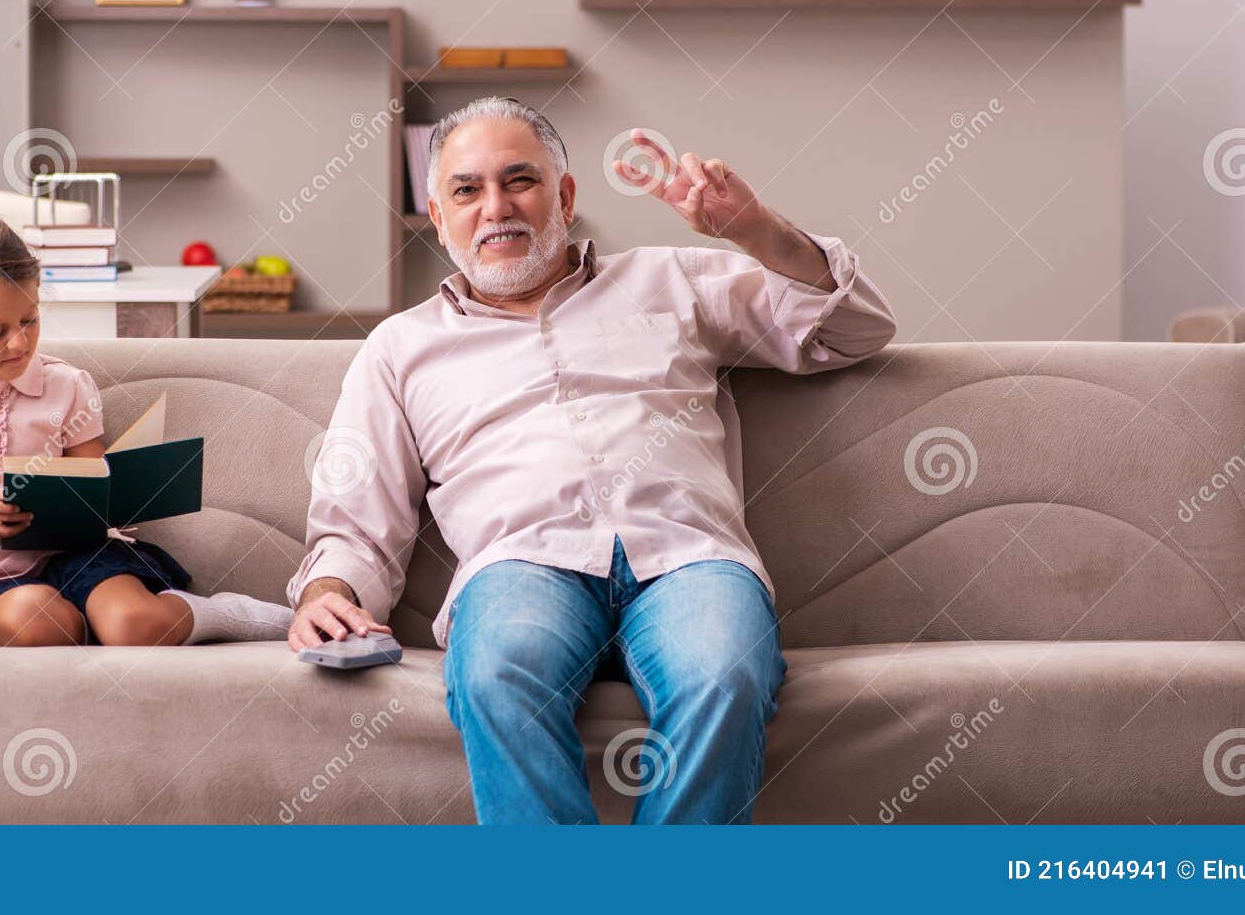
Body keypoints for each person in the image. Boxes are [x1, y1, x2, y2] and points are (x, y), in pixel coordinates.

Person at [286, 96, 897, 824]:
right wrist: (327, 594)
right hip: (521, 566)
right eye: (467, 190)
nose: (496, 208)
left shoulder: (672, 282)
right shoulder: (399, 347)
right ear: (438, 213)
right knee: (496, 675)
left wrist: (755, 231)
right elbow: (356, 517)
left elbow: (855, 331)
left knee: (726, 674)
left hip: (688, 559)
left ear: (566, 196)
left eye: (520, 181)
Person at [0, 206, 292, 648]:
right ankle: (81, 624)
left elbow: (91, 493)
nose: (20, 343)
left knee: (133, 625)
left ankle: (226, 614)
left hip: (78, 559)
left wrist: (119, 495)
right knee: (39, 623)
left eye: (29, 320)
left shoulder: (66, 384)